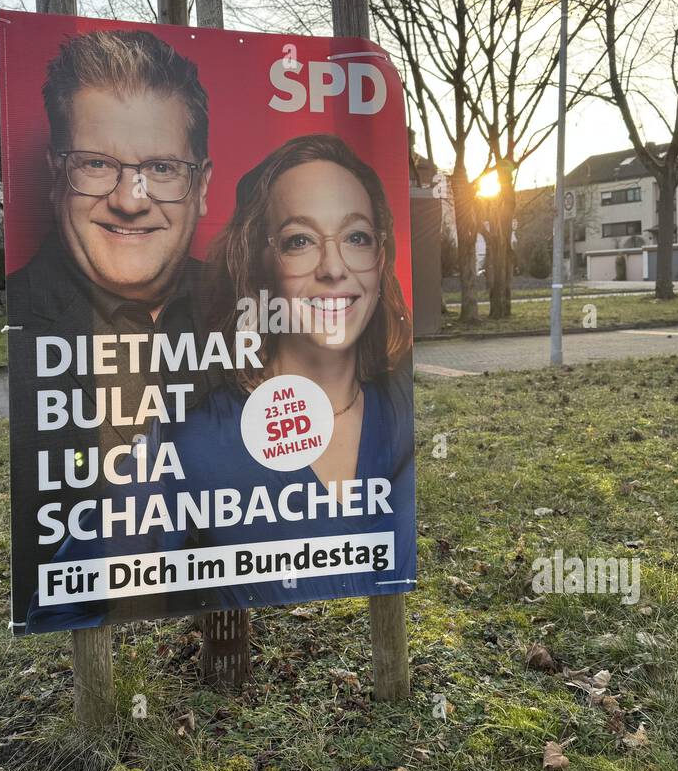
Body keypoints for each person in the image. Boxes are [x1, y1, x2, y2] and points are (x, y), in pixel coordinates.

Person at [41, 133, 416, 619]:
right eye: (298, 240)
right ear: (257, 261)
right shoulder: (191, 442)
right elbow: (66, 596)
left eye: (356, 237)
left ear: (380, 256)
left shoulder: (398, 410)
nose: (333, 268)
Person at [11, 28, 216, 632]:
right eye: (96, 164)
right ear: (56, 174)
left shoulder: (254, 311)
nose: (131, 198)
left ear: (201, 186)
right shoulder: (22, 321)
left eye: (161, 167)